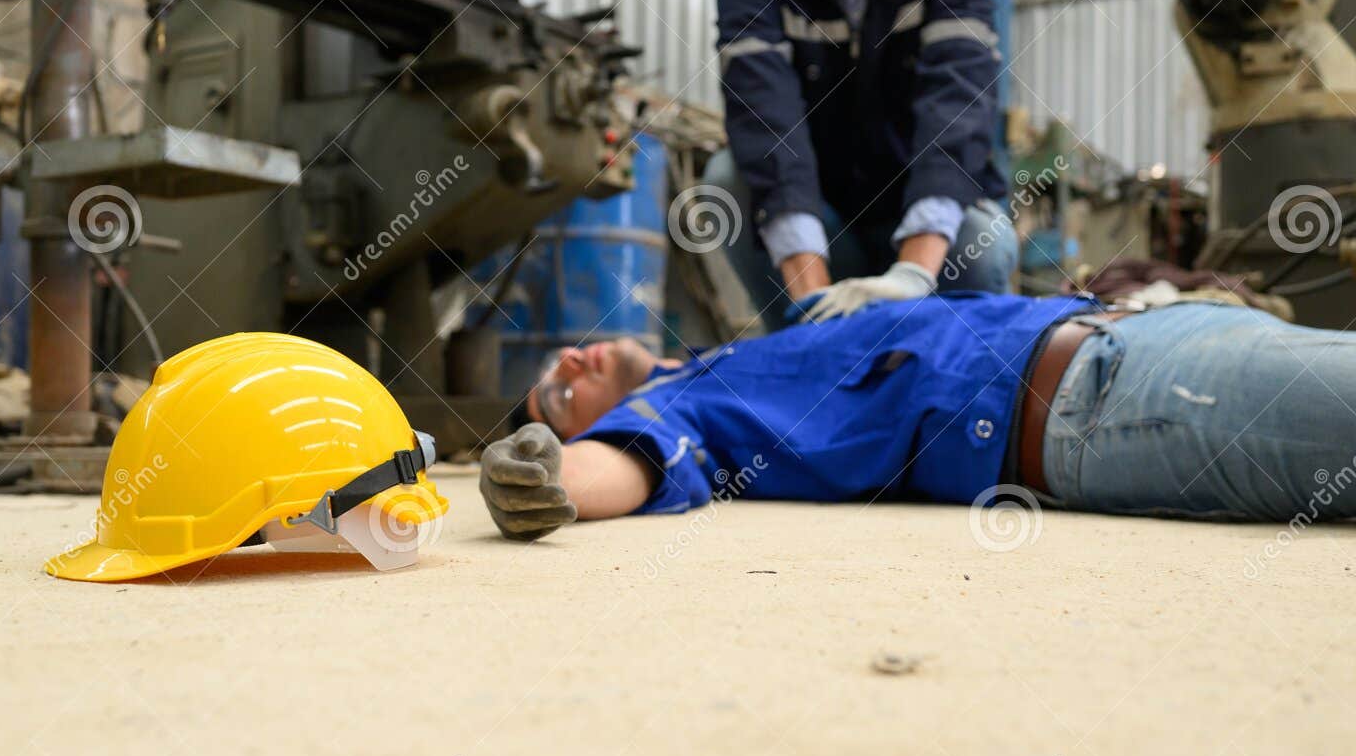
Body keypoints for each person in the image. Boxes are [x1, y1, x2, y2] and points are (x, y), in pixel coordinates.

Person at [480, 296, 1356, 539]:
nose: (568, 365)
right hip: (1108, 399)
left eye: (554, 366)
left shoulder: (726, 356)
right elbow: (634, 458)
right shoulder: (682, 406)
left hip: (1154, 329)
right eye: (559, 398)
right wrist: (547, 475)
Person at [709, 0, 1016, 332]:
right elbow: (768, 124)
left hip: (919, 219)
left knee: (983, 239)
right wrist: (814, 309)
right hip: (824, 222)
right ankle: (802, 348)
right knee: (726, 181)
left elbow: (959, 103)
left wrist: (914, 272)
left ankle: (950, 372)